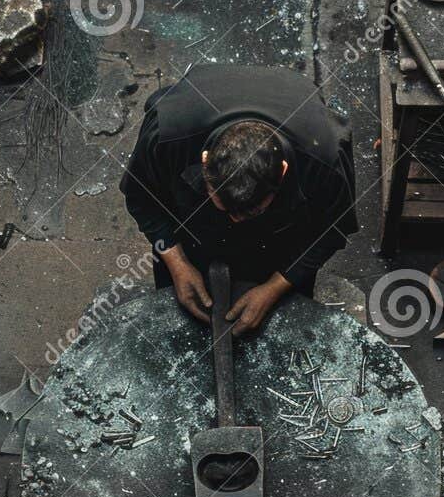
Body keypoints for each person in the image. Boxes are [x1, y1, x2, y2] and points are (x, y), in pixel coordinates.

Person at [121, 64, 357, 334]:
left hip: (280, 242)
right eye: (223, 206)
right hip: (193, 234)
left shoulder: (324, 159)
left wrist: (276, 286)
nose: (234, 220)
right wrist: (177, 263)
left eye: (252, 211)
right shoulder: (167, 135)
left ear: (282, 171)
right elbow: (142, 200)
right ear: (205, 161)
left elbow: (332, 230)